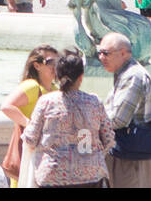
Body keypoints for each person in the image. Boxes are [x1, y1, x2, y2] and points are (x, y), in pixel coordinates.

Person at [22, 51, 113, 188]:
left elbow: (30, 139)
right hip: (90, 176)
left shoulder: (46, 102)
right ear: (81, 77)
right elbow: (109, 139)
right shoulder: (94, 102)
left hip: (52, 175)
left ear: (57, 76)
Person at [98, 32, 151, 187]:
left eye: (106, 53)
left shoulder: (133, 77)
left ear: (123, 53)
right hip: (127, 153)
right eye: (99, 52)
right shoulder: (126, 73)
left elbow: (118, 119)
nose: (101, 57)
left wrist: (89, 120)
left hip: (129, 158)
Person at [0, 45, 59, 187]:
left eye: (58, 62)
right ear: (37, 66)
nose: (55, 67)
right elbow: (6, 106)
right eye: (51, 62)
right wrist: (31, 125)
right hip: (29, 155)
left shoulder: (56, 89)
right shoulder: (32, 86)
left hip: (45, 157)